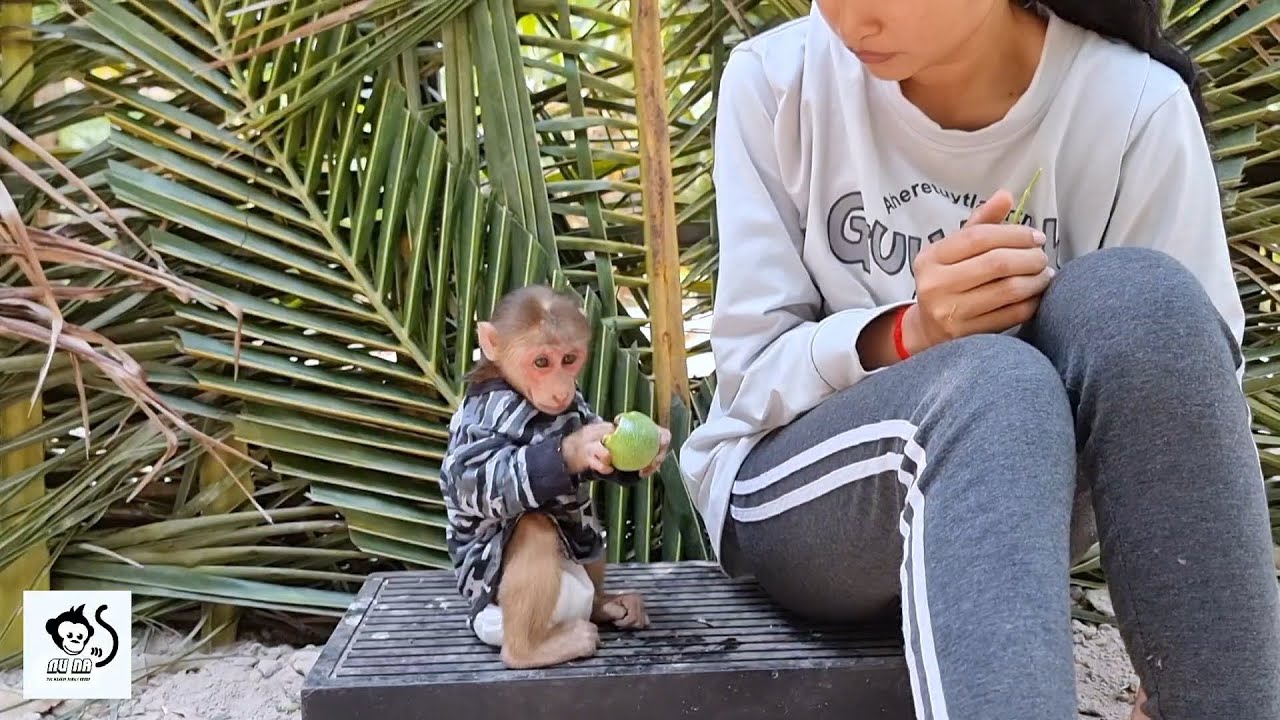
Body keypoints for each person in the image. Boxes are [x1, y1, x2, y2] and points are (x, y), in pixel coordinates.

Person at [677, 1, 1280, 719]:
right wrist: (910, 332)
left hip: (1027, 498)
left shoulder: (1133, 106)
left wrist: (1189, 652)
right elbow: (750, 380)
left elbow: (1183, 387)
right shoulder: (780, 81)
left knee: (1144, 300)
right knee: (996, 386)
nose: (847, 20)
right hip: (803, 501)